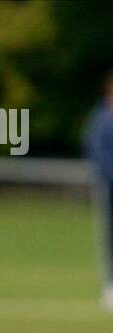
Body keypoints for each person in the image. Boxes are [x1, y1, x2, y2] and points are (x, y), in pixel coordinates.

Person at [85, 71, 113, 312]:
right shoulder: (101, 119)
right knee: (110, 236)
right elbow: (98, 153)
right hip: (110, 185)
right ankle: (110, 287)